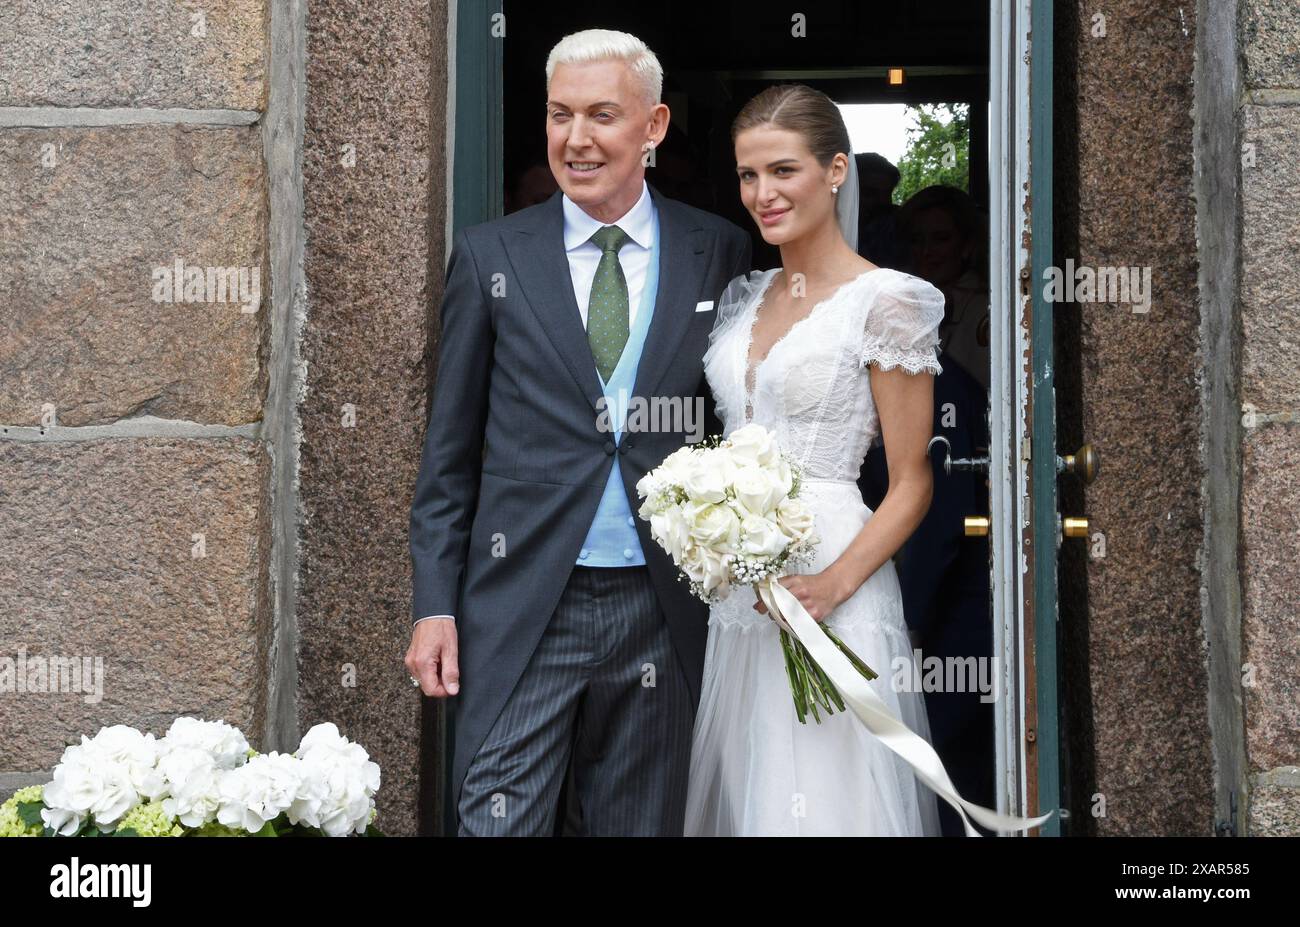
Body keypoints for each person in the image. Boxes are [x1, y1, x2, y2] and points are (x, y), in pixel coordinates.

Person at [405, 28, 751, 836]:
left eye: (602, 115)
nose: (576, 138)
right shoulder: (491, 255)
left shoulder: (717, 250)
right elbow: (448, 454)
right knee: (497, 817)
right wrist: (434, 604)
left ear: (654, 126)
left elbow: (739, 425)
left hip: (663, 605)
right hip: (522, 601)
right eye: (560, 115)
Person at [685, 82, 945, 836]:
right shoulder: (744, 296)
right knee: (757, 790)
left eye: (783, 170)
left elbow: (911, 482)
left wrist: (833, 583)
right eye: (748, 175)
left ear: (835, 171)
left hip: (835, 572)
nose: (762, 194)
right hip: (741, 596)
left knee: (832, 802)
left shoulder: (887, 301)